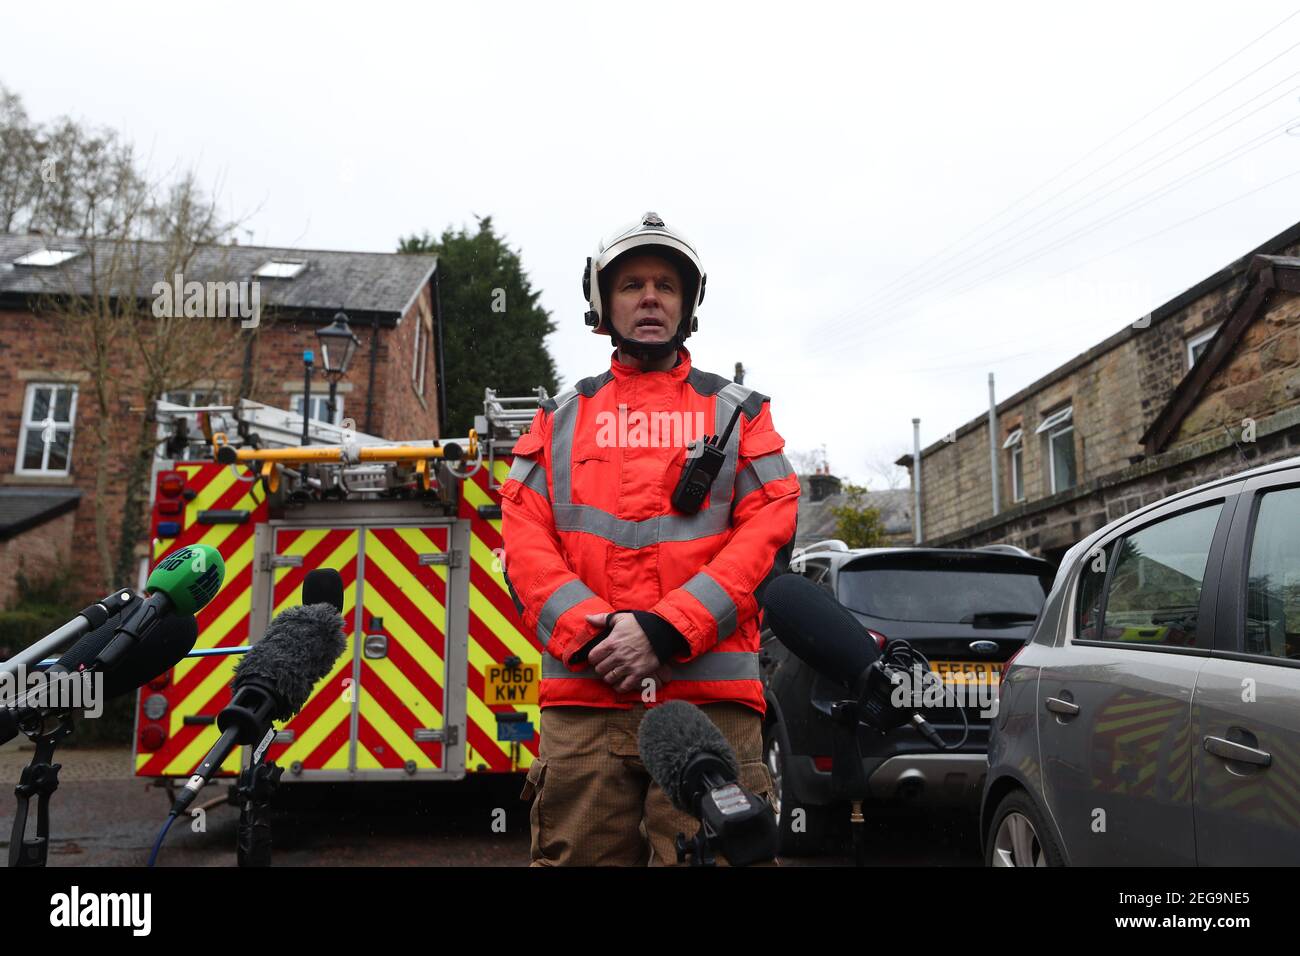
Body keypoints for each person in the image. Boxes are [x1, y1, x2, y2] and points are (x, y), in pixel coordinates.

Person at [500, 212, 799, 865]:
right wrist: (595, 634)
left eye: (667, 285)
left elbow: (771, 533)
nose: (651, 297)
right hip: (588, 703)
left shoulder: (740, 414)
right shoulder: (559, 417)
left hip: (709, 707)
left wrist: (667, 630)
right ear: (602, 304)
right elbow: (523, 545)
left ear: (687, 304)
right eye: (632, 284)